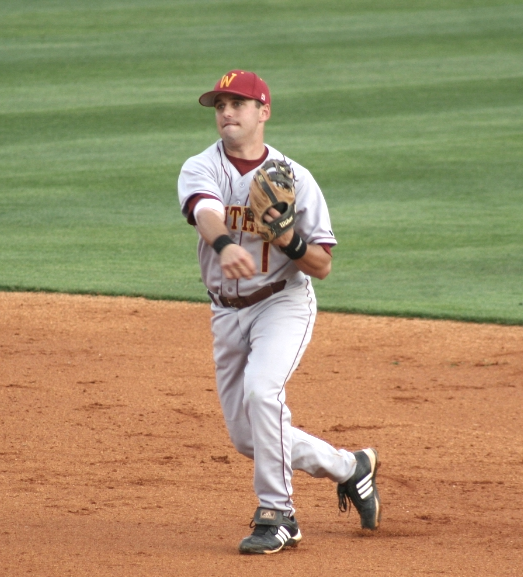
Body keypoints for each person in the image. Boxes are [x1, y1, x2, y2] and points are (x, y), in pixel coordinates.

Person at [177, 70, 381, 554]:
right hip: (226, 312)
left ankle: (278, 515)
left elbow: (322, 266)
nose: (225, 112)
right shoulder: (201, 166)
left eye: (237, 103)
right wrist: (226, 243)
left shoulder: (297, 178)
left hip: (282, 302)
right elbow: (205, 211)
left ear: (263, 111)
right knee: (250, 437)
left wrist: (288, 237)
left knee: (263, 391)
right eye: (220, 104)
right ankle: (350, 467)